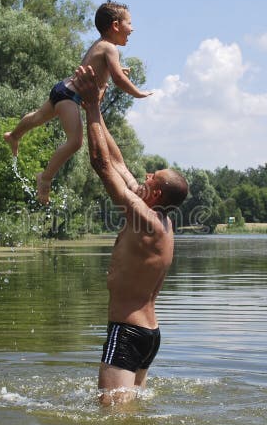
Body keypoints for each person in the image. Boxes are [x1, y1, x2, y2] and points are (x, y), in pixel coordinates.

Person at [71, 65, 188, 406]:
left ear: (154, 195)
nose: (146, 174)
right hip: (148, 334)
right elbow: (119, 162)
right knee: (129, 417)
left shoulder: (145, 221)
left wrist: (91, 107)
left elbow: (102, 165)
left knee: (113, 419)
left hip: (127, 331)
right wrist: (94, 109)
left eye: (152, 177)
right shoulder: (160, 222)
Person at [3, 1, 152, 204]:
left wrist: (115, 68)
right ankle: (44, 178)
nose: (132, 29)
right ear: (116, 25)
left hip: (62, 88)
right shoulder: (110, 48)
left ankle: (14, 135)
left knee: (38, 117)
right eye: (129, 23)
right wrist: (137, 93)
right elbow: (117, 79)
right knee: (75, 142)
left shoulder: (101, 45)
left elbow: (101, 66)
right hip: (70, 97)